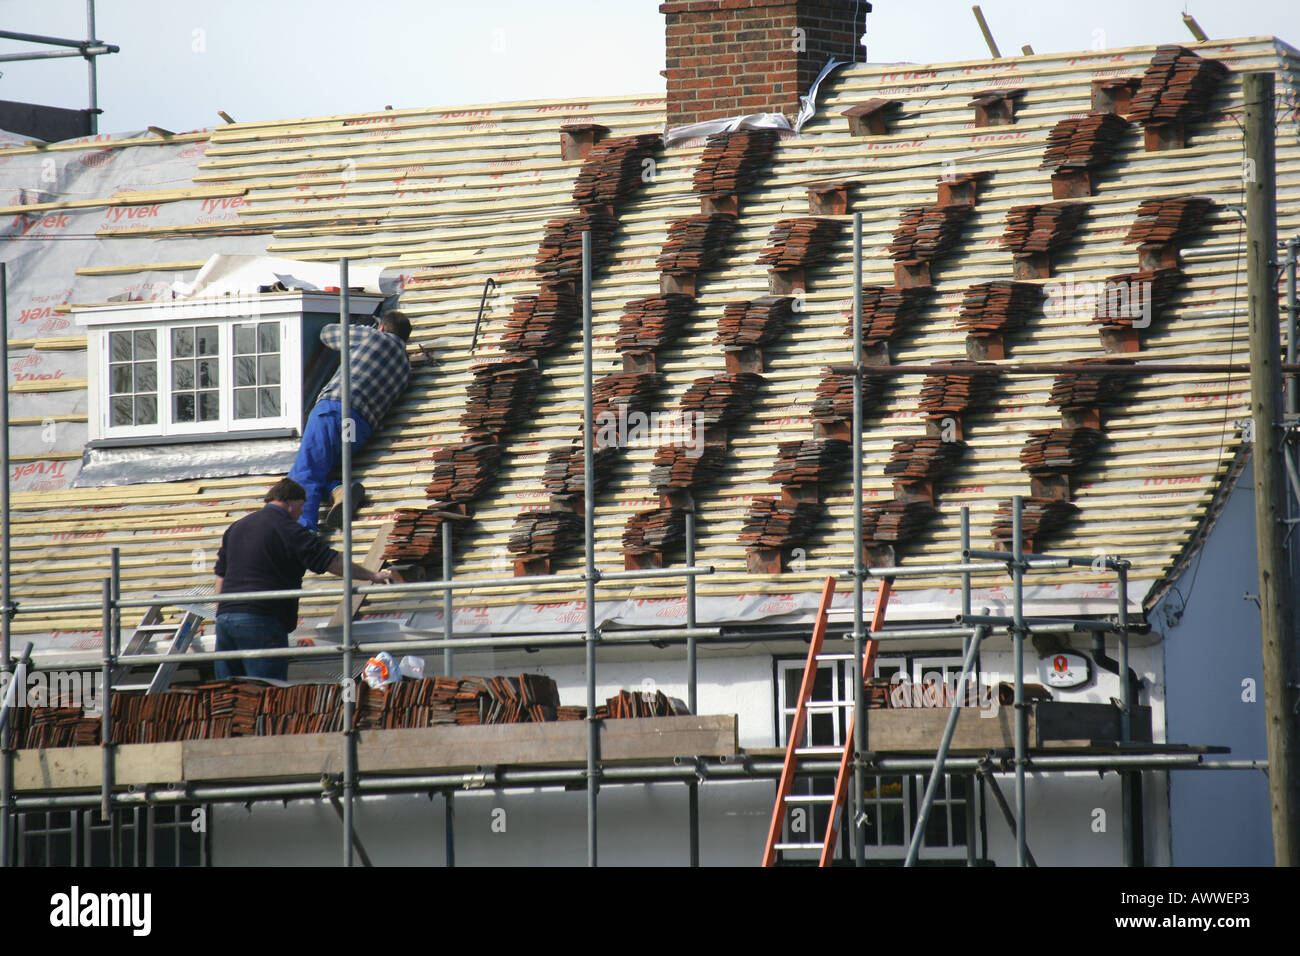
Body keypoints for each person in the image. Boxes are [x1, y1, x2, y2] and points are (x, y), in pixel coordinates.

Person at [213, 477, 396, 681]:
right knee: (264, 690)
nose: (301, 514)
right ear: (291, 502)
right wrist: (372, 575)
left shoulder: (236, 528)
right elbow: (332, 562)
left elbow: (220, 578)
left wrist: (225, 611)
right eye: (301, 507)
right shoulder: (287, 528)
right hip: (262, 619)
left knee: (227, 692)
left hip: (225, 619)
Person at [289, 310, 412, 531]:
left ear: (382, 327)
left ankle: (303, 531)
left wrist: (365, 328)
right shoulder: (405, 368)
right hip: (358, 429)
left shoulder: (372, 337)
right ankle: (339, 490)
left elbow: (327, 334)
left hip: (335, 410)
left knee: (304, 473)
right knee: (320, 467)